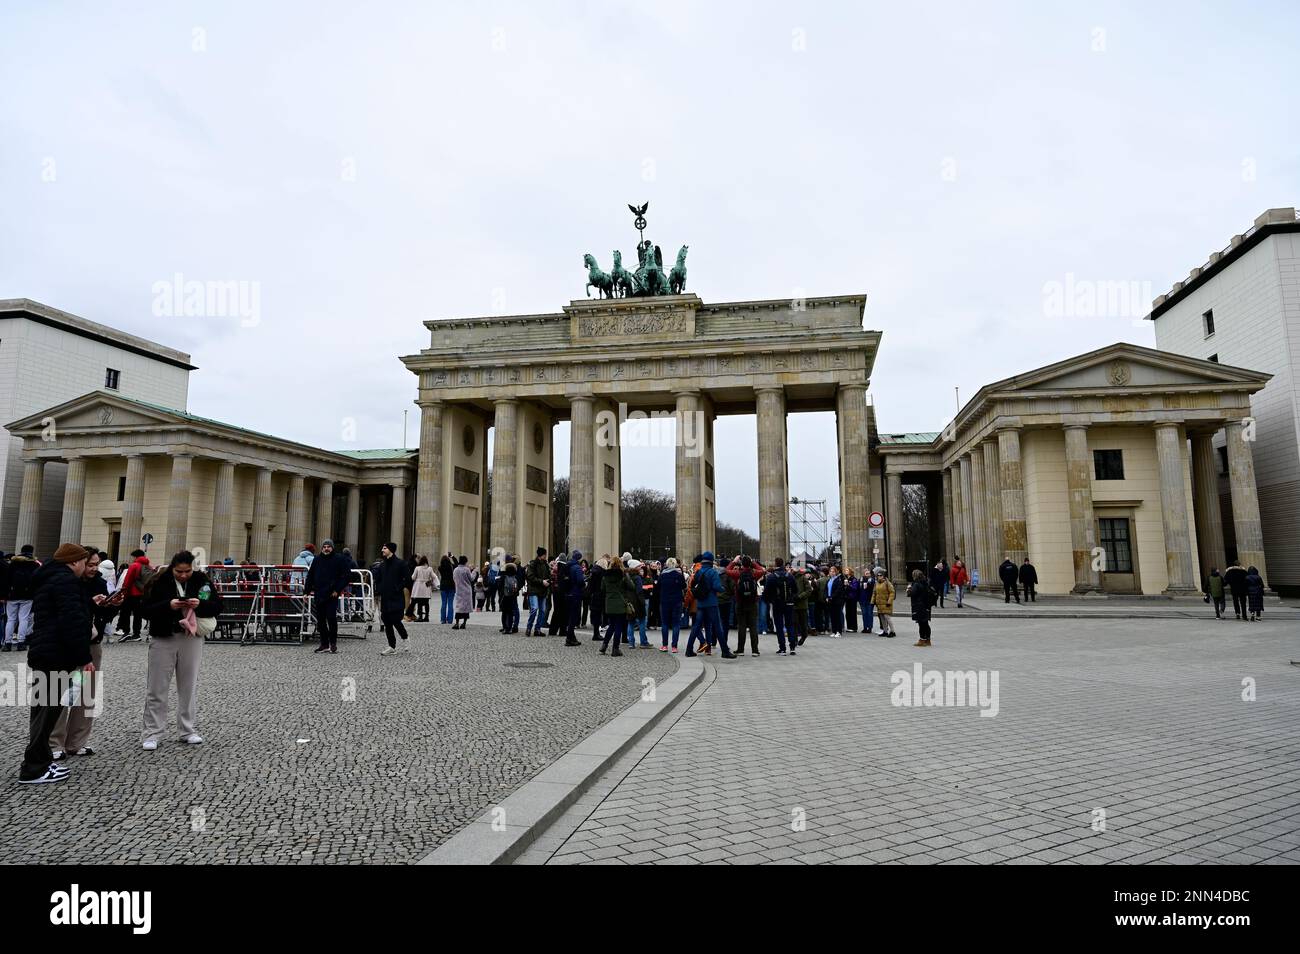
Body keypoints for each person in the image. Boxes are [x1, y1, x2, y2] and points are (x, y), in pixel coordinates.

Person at [18, 544, 93, 784]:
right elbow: (71, 622)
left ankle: (40, 761)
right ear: (73, 562)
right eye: (84, 562)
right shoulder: (65, 581)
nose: (85, 567)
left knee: (42, 711)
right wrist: (84, 658)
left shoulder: (49, 578)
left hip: (45, 652)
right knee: (47, 713)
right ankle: (34, 768)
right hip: (56, 655)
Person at [140, 550, 222, 750]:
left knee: (189, 686)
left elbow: (217, 606)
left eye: (187, 571)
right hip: (163, 636)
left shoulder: (202, 580)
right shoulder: (159, 579)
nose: (183, 575)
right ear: (172, 567)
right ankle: (152, 732)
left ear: (192, 567)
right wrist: (168, 605)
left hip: (191, 637)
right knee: (157, 687)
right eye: (179, 571)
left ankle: (187, 729)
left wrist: (200, 604)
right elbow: (144, 610)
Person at [51, 548, 120, 760]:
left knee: (87, 693)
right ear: (77, 563)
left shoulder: (99, 582)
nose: (93, 569)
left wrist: (111, 605)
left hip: (92, 642)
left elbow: (103, 615)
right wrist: (90, 604)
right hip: (68, 644)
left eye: (96, 565)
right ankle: (54, 743)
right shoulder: (67, 584)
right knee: (62, 691)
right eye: (89, 565)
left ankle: (76, 742)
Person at [685, 552, 733, 658]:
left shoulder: (698, 571)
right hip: (711, 603)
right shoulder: (712, 572)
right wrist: (722, 589)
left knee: (696, 627)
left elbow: (692, 586)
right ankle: (725, 651)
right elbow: (716, 586)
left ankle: (689, 650)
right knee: (717, 627)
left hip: (701, 603)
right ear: (711, 561)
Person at [305, 539, 350, 653]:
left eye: (328, 546)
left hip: (332, 594)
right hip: (319, 593)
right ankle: (324, 644)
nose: (326, 548)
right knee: (320, 621)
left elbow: (346, 576)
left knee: (331, 618)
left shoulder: (339, 559)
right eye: (324, 546)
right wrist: (306, 591)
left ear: (332, 548)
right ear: (322, 548)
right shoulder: (317, 559)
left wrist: (337, 589)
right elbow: (310, 576)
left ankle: (333, 643)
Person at [374, 544, 412, 653]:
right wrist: (380, 589)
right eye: (383, 548)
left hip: (396, 597)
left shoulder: (401, 564)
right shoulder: (382, 565)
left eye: (385, 548)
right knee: (386, 621)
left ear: (391, 550)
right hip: (385, 598)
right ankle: (392, 646)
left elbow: (408, 579)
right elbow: (379, 579)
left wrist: (398, 588)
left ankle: (405, 638)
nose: (382, 550)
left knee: (396, 620)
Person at [3, 544, 41, 651]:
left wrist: (6, 594)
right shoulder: (34, 564)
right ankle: (21, 642)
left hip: (12, 595)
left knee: (10, 619)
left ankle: (7, 643)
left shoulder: (13, 563)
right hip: (27, 596)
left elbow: (7, 580)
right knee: (23, 619)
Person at [600, 556, 635, 657]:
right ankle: (615, 649)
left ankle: (604, 645)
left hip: (609, 603)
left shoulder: (605, 576)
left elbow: (602, 589)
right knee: (618, 626)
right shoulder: (623, 575)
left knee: (611, 626)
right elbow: (632, 587)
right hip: (620, 603)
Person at [115, 549, 152, 641]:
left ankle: (126, 632)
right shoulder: (148, 566)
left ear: (135, 557)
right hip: (142, 593)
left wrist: (123, 591)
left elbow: (128, 580)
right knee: (138, 614)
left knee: (125, 612)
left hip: (132, 593)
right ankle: (136, 634)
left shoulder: (134, 565)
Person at [763, 558, 797, 656]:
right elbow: (795, 589)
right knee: (790, 624)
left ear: (775, 564)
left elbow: (766, 592)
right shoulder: (790, 576)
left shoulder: (771, 577)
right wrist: (792, 598)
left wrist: (768, 601)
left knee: (779, 626)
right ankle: (792, 647)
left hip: (777, 603)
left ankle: (782, 648)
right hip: (789, 603)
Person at [657, 557, 686, 653]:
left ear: (666, 564)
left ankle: (664, 645)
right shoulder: (678, 575)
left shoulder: (662, 575)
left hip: (665, 601)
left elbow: (658, 587)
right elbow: (684, 586)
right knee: (676, 624)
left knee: (664, 623)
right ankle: (674, 646)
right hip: (677, 601)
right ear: (675, 565)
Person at [524, 547, 551, 637]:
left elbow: (548, 575)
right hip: (533, 591)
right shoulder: (533, 564)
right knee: (534, 609)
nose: (545, 556)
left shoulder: (546, 565)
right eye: (544, 555)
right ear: (541, 555)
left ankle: (537, 629)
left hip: (542, 591)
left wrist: (548, 581)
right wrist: (542, 581)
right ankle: (529, 627)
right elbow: (530, 577)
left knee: (542, 611)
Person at [907, 569, 935, 647]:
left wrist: (908, 589)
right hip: (926, 605)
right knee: (926, 623)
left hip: (919, 606)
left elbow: (912, 593)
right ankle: (928, 640)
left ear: (914, 576)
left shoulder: (916, 584)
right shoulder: (926, 582)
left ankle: (922, 640)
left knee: (921, 623)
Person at [563, 551, 585, 646]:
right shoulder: (577, 567)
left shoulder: (568, 566)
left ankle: (572, 637)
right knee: (573, 617)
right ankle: (569, 638)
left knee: (570, 616)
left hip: (568, 593)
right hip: (575, 593)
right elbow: (580, 581)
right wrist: (584, 583)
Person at [872, 568, 897, 638]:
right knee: (882, 617)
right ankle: (885, 631)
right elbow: (874, 593)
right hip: (879, 604)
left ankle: (892, 631)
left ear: (883, 576)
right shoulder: (876, 583)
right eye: (878, 575)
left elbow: (892, 592)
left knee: (887, 617)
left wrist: (889, 601)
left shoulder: (887, 583)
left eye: (880, 575)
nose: (879, 576)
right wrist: (872, 601)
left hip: (886, 603)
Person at [410, 556, 435, 622]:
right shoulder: (430, 568)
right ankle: (426, 616)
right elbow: (434, 577)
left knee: (419, 603)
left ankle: (420, 617)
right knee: (426, 603)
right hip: (426, 587)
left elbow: (413, 577)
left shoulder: (417, 568)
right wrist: (430, 581)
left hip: (418, 587)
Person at [498, 560, 521, 633]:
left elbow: (499, 586)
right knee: (511, 613)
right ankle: (510, 628)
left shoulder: (503, 577)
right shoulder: (516, 577)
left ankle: (505, 627)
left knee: (504, 613)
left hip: (504, 597)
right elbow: (518, 587)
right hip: (513, 597)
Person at [437, 555, 456, 625]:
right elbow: (456, 564)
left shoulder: (440, 567)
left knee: (443, 603)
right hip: (451, 585)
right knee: (450, 603)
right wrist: (452, 557)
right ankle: (450, 620)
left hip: (443, 586)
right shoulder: (452, 566)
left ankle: (443, 619)